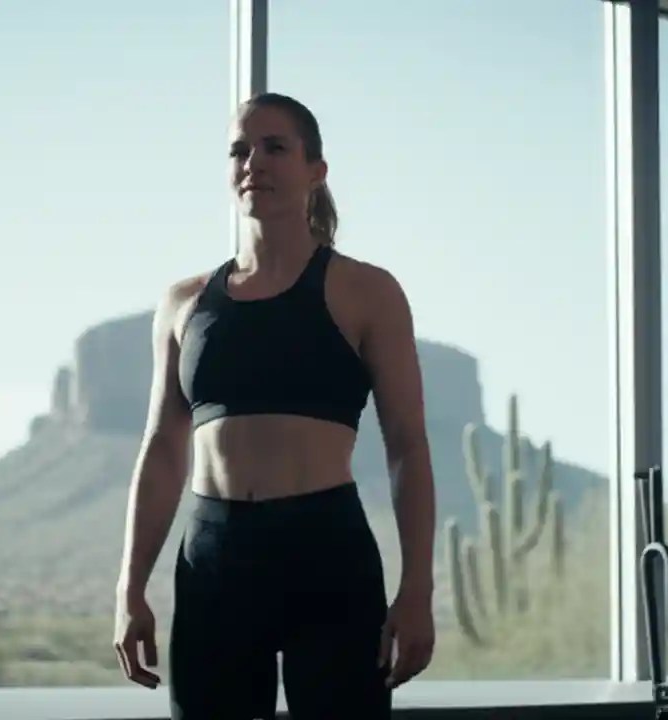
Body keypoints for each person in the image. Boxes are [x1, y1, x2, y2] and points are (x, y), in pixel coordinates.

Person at [112, 91, 437, 720]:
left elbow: (407, 446)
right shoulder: (184, 303)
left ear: (316, 171)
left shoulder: (366, 290)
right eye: (239, 150)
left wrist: (417, 589)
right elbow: (160, 452)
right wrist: (131, 586)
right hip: (213, 558)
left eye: (274, 147)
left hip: (326, 552)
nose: (252, 161)